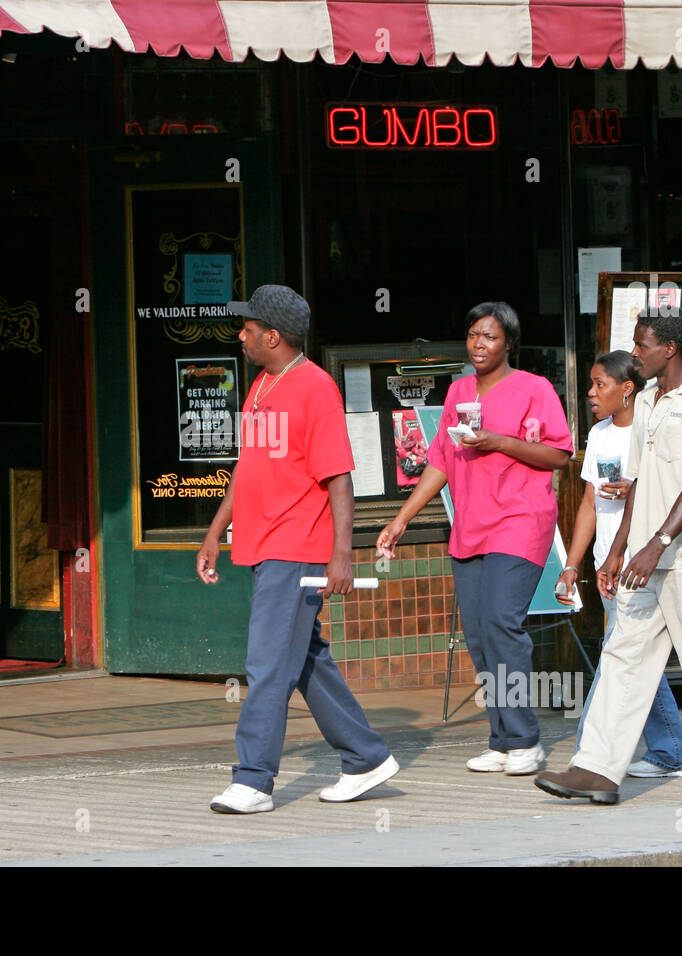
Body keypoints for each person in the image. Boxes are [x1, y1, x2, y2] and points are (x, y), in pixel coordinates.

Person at [198, 284, 398, 814]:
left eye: (247, 327)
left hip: (298, 547)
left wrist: (341, 554)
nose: (239, 334)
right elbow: (248, 466)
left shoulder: (316, 389)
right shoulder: (262, 384)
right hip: (265, 544)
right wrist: (217, 531)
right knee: (304, 659)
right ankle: (366, 756)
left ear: (273, 335)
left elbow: (340, 479)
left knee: (267, 663)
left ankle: (254, 779)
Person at [535, 312, 682, 806]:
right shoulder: (647, 400)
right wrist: (621, 548)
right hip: (643, 559)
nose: (637, 351)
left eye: (643, 345)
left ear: (669, 349)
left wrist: (656, 544)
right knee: (623, 655)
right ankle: (599, 768)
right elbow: (640, 482)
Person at [377, 302, 572, 775]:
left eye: (489, 336)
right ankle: (502, 739)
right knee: (481, 634)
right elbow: (440, 462)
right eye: (473, 336)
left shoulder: (535, 388)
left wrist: (498, 441)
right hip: (471, 526)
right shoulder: (459, 391)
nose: (479, 344)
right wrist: (401, 519)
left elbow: (559, 455)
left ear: (509, 342)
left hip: (521, 520)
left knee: (503, 624)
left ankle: (526, 738)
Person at [558, 351, 682, 778]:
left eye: (600, 384)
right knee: (633, 657)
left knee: (619, 656)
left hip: (640, 564)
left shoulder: (650, 432)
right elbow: (588, 505)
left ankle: (588, 757)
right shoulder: (599, 435)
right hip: (606, 566)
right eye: (592, 384)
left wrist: (635, 490)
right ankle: (672, 750)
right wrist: (572, 565)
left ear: (627, 389)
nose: (591, 393)